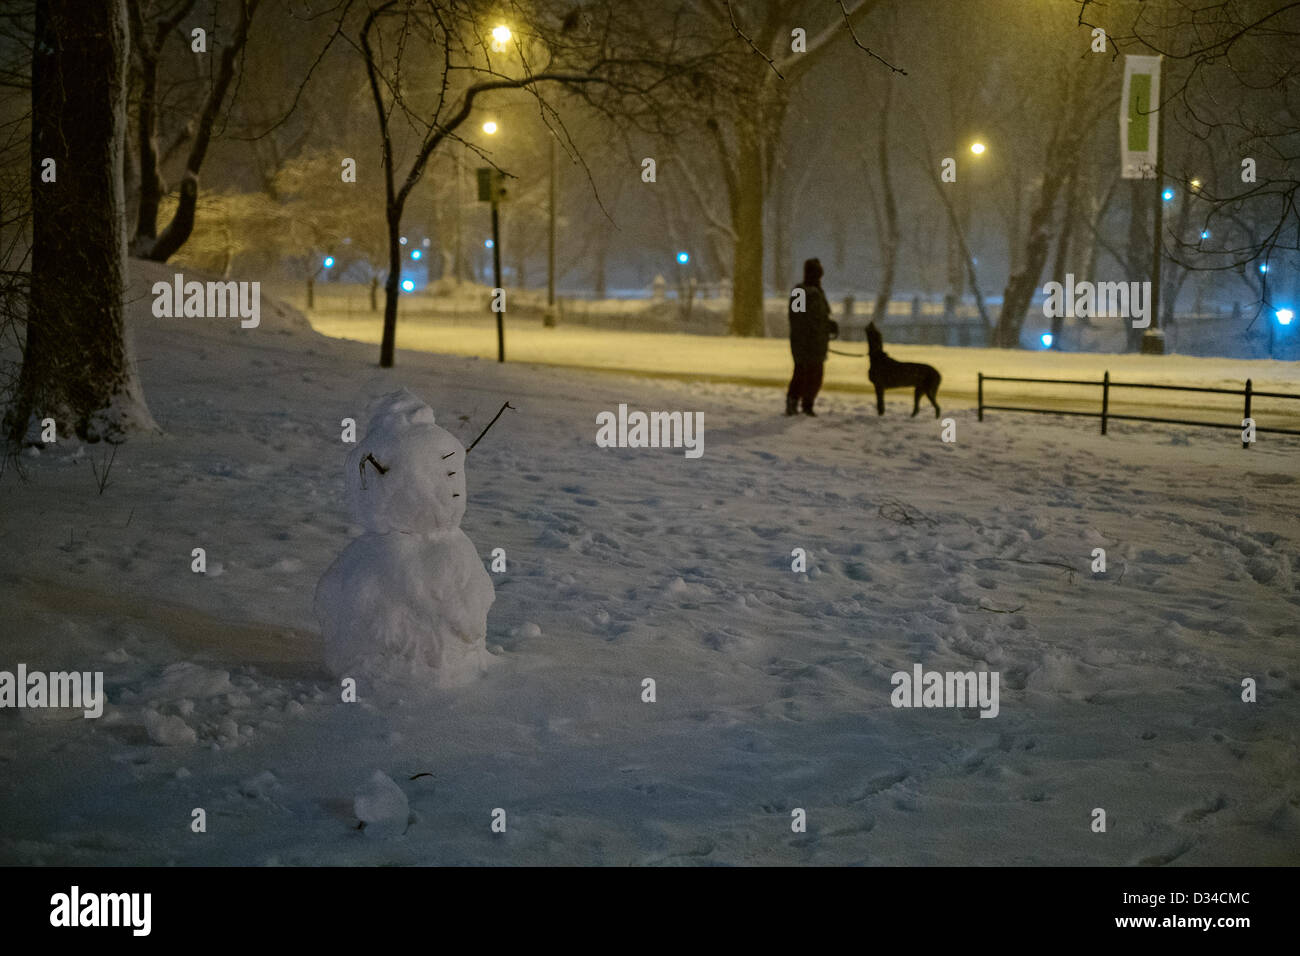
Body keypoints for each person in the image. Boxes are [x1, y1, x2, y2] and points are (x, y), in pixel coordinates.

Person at [786, 258, 837, 416]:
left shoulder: (817, 293)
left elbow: (819, 316)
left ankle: (808, 404)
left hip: (817, 343)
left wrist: (829, 325)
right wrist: (810, 334)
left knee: (815, 376)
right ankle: (793, 403)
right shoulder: (800, 292)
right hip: (804, 343)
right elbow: (797, 319)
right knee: (802, 374)